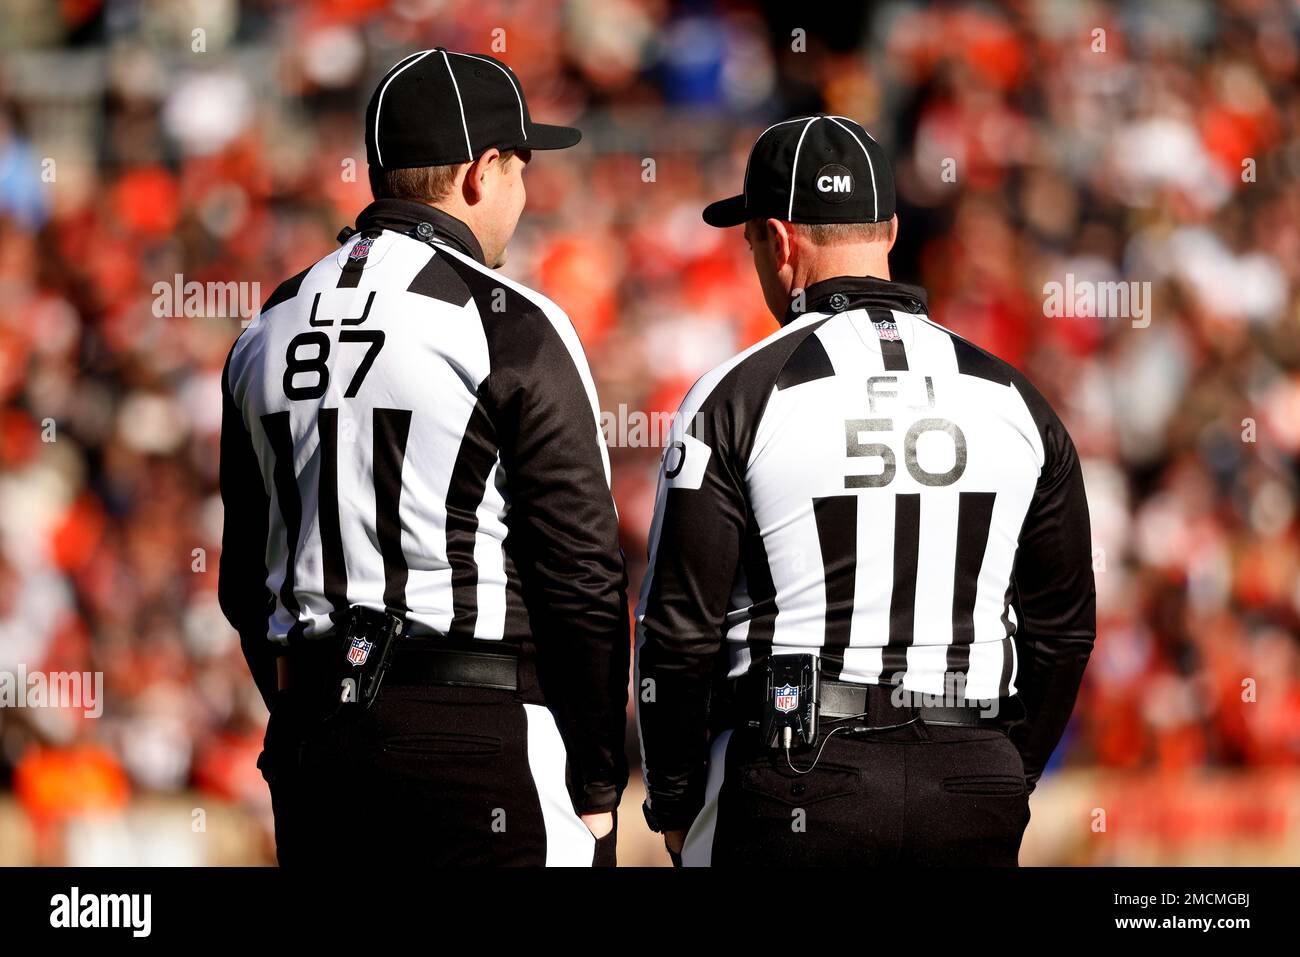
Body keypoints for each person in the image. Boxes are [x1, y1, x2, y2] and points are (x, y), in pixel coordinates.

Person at [635, 114, 1096, 866]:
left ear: (779, 240)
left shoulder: (737, 394)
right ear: (884, 229)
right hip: (970, 774)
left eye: (751, 237)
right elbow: (1064, 628)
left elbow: (676, 630)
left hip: (798, 776)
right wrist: (1001, 770)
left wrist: (676, 798)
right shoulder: (1016, 397)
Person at [218, 48, 628, 866]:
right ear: (482, 171)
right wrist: (598, 780)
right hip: (473, 732)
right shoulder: (509, 319)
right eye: (522, 165)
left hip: (315, 746)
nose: (525, 190)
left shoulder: (269, 320)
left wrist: (305, 705)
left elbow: (242, 580)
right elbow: (583, 573)